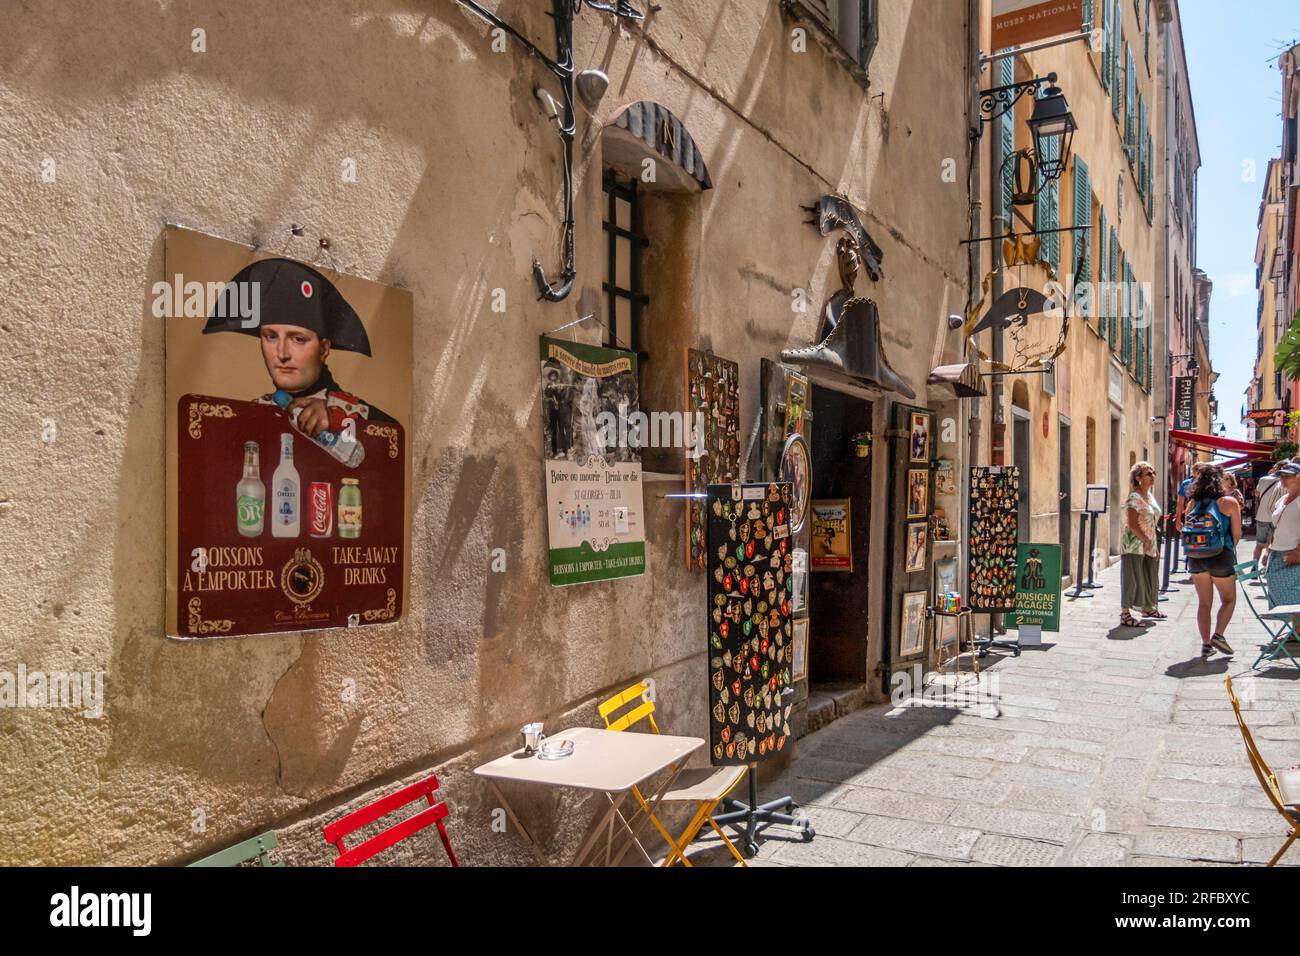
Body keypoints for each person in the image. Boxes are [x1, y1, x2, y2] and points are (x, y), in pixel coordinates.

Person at [203, 258, 396, 438]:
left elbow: (397, 444)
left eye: (298, 339)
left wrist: (341, 417)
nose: (282, 354)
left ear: (323, 349)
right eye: (271, 337)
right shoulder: (253, 413)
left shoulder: (351, 414)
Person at [1185, 464, 1242, 659]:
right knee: (1228, 600)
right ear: (1220, 481)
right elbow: (1236, 535)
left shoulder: (1192, 503)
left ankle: (1206, 645)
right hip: (1220, 556)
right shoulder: (1229, 502)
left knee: (1204, 603)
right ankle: (1218, 635)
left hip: (1196, 559)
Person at [1120, 462, 1163, 628]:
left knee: (1148, 576)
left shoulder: (1150, 497)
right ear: (1138, 478)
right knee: (1132, 579)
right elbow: (1132, 524)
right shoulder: (1134, 497)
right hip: (1134, 544)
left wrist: (1154, 544)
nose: (1152, 475)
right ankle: (1125, 614)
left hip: (1149, 542)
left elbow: (1152, 522)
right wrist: (1145, 540)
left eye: (1153, 472)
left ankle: (1148, 608)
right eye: (1148, 473)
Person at [1265, 461, 1300, 632]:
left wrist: (1298, 550)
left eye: (1288, 476)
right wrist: (1268, 548)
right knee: (1278, 588)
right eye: (1282, 476)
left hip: (1293, 552)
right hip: (1278, 550)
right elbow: (1275, 525)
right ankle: (1296, 630)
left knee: (1293, 592)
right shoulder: (1283, 499)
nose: (1283, 479)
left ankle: (1297, 631)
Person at [1255, 462, 1286, 562]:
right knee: (1270, 544)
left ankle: (1254, 567)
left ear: (1275, 468)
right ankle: (1266, 565)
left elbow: (1257, 494)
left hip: (1262, 516)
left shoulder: (1263, 479)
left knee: (1259, 544)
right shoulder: (1284, 482)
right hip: (1276, 517)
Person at [1174, 461, 1209, 531]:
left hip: (1205, 515)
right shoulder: (1186, 484)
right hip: (1190, 514)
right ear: (1194, 472)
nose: (1200, 474)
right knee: (1190, 535)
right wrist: (1178, 520)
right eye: (1198, 471)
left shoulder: (1207, 484)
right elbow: (1180, 503)